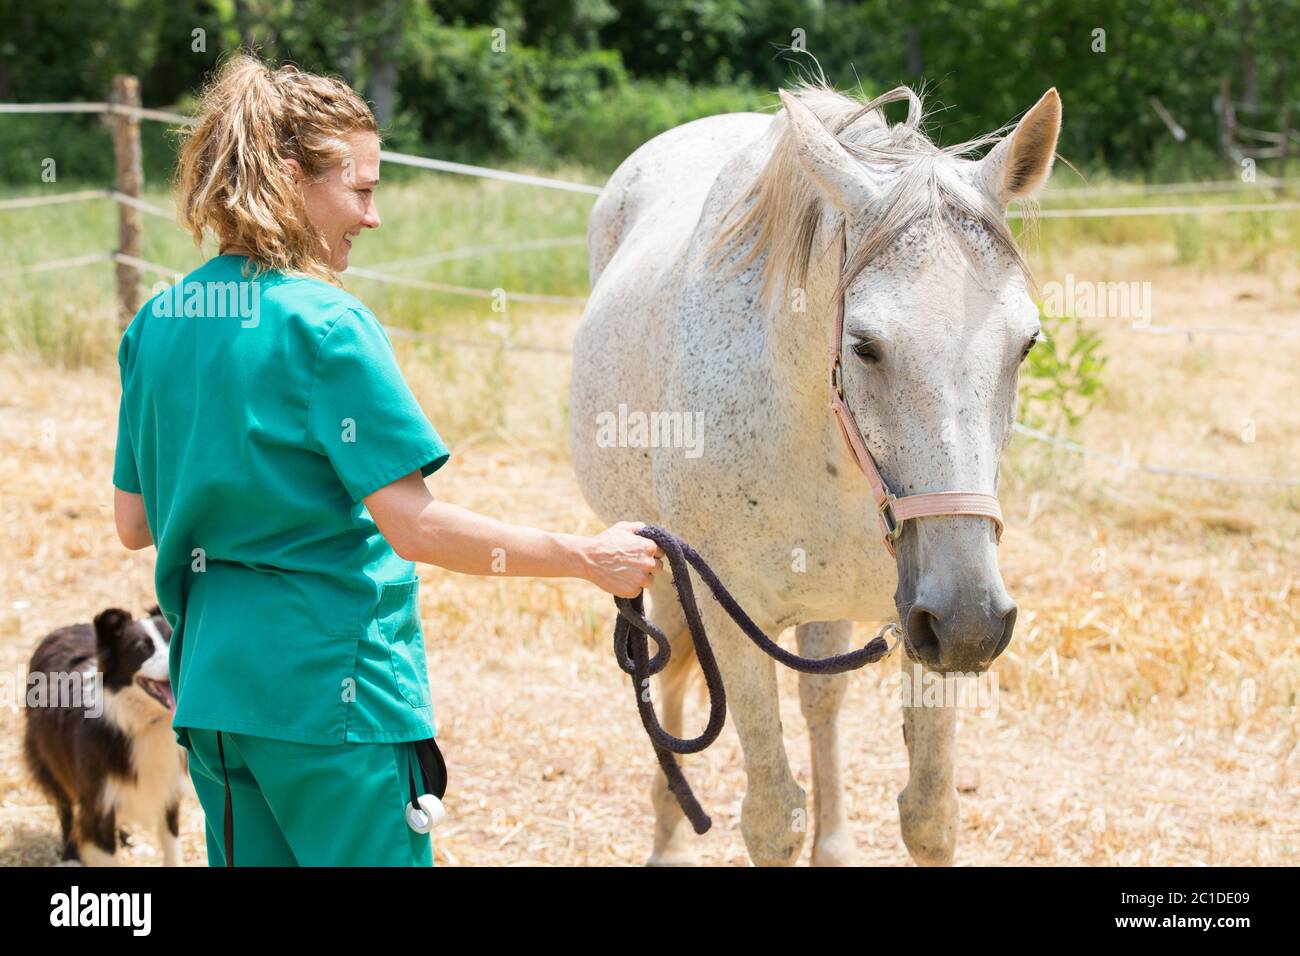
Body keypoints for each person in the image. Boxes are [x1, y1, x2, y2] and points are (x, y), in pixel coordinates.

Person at [111, 53, 663, 867]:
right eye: (360, 191)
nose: (372, 217)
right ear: (292, 178)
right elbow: (415, 527)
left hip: (215, 693)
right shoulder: (327, 326)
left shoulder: (158, 320)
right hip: (331, 692)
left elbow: (134, 524)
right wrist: (588, 558)